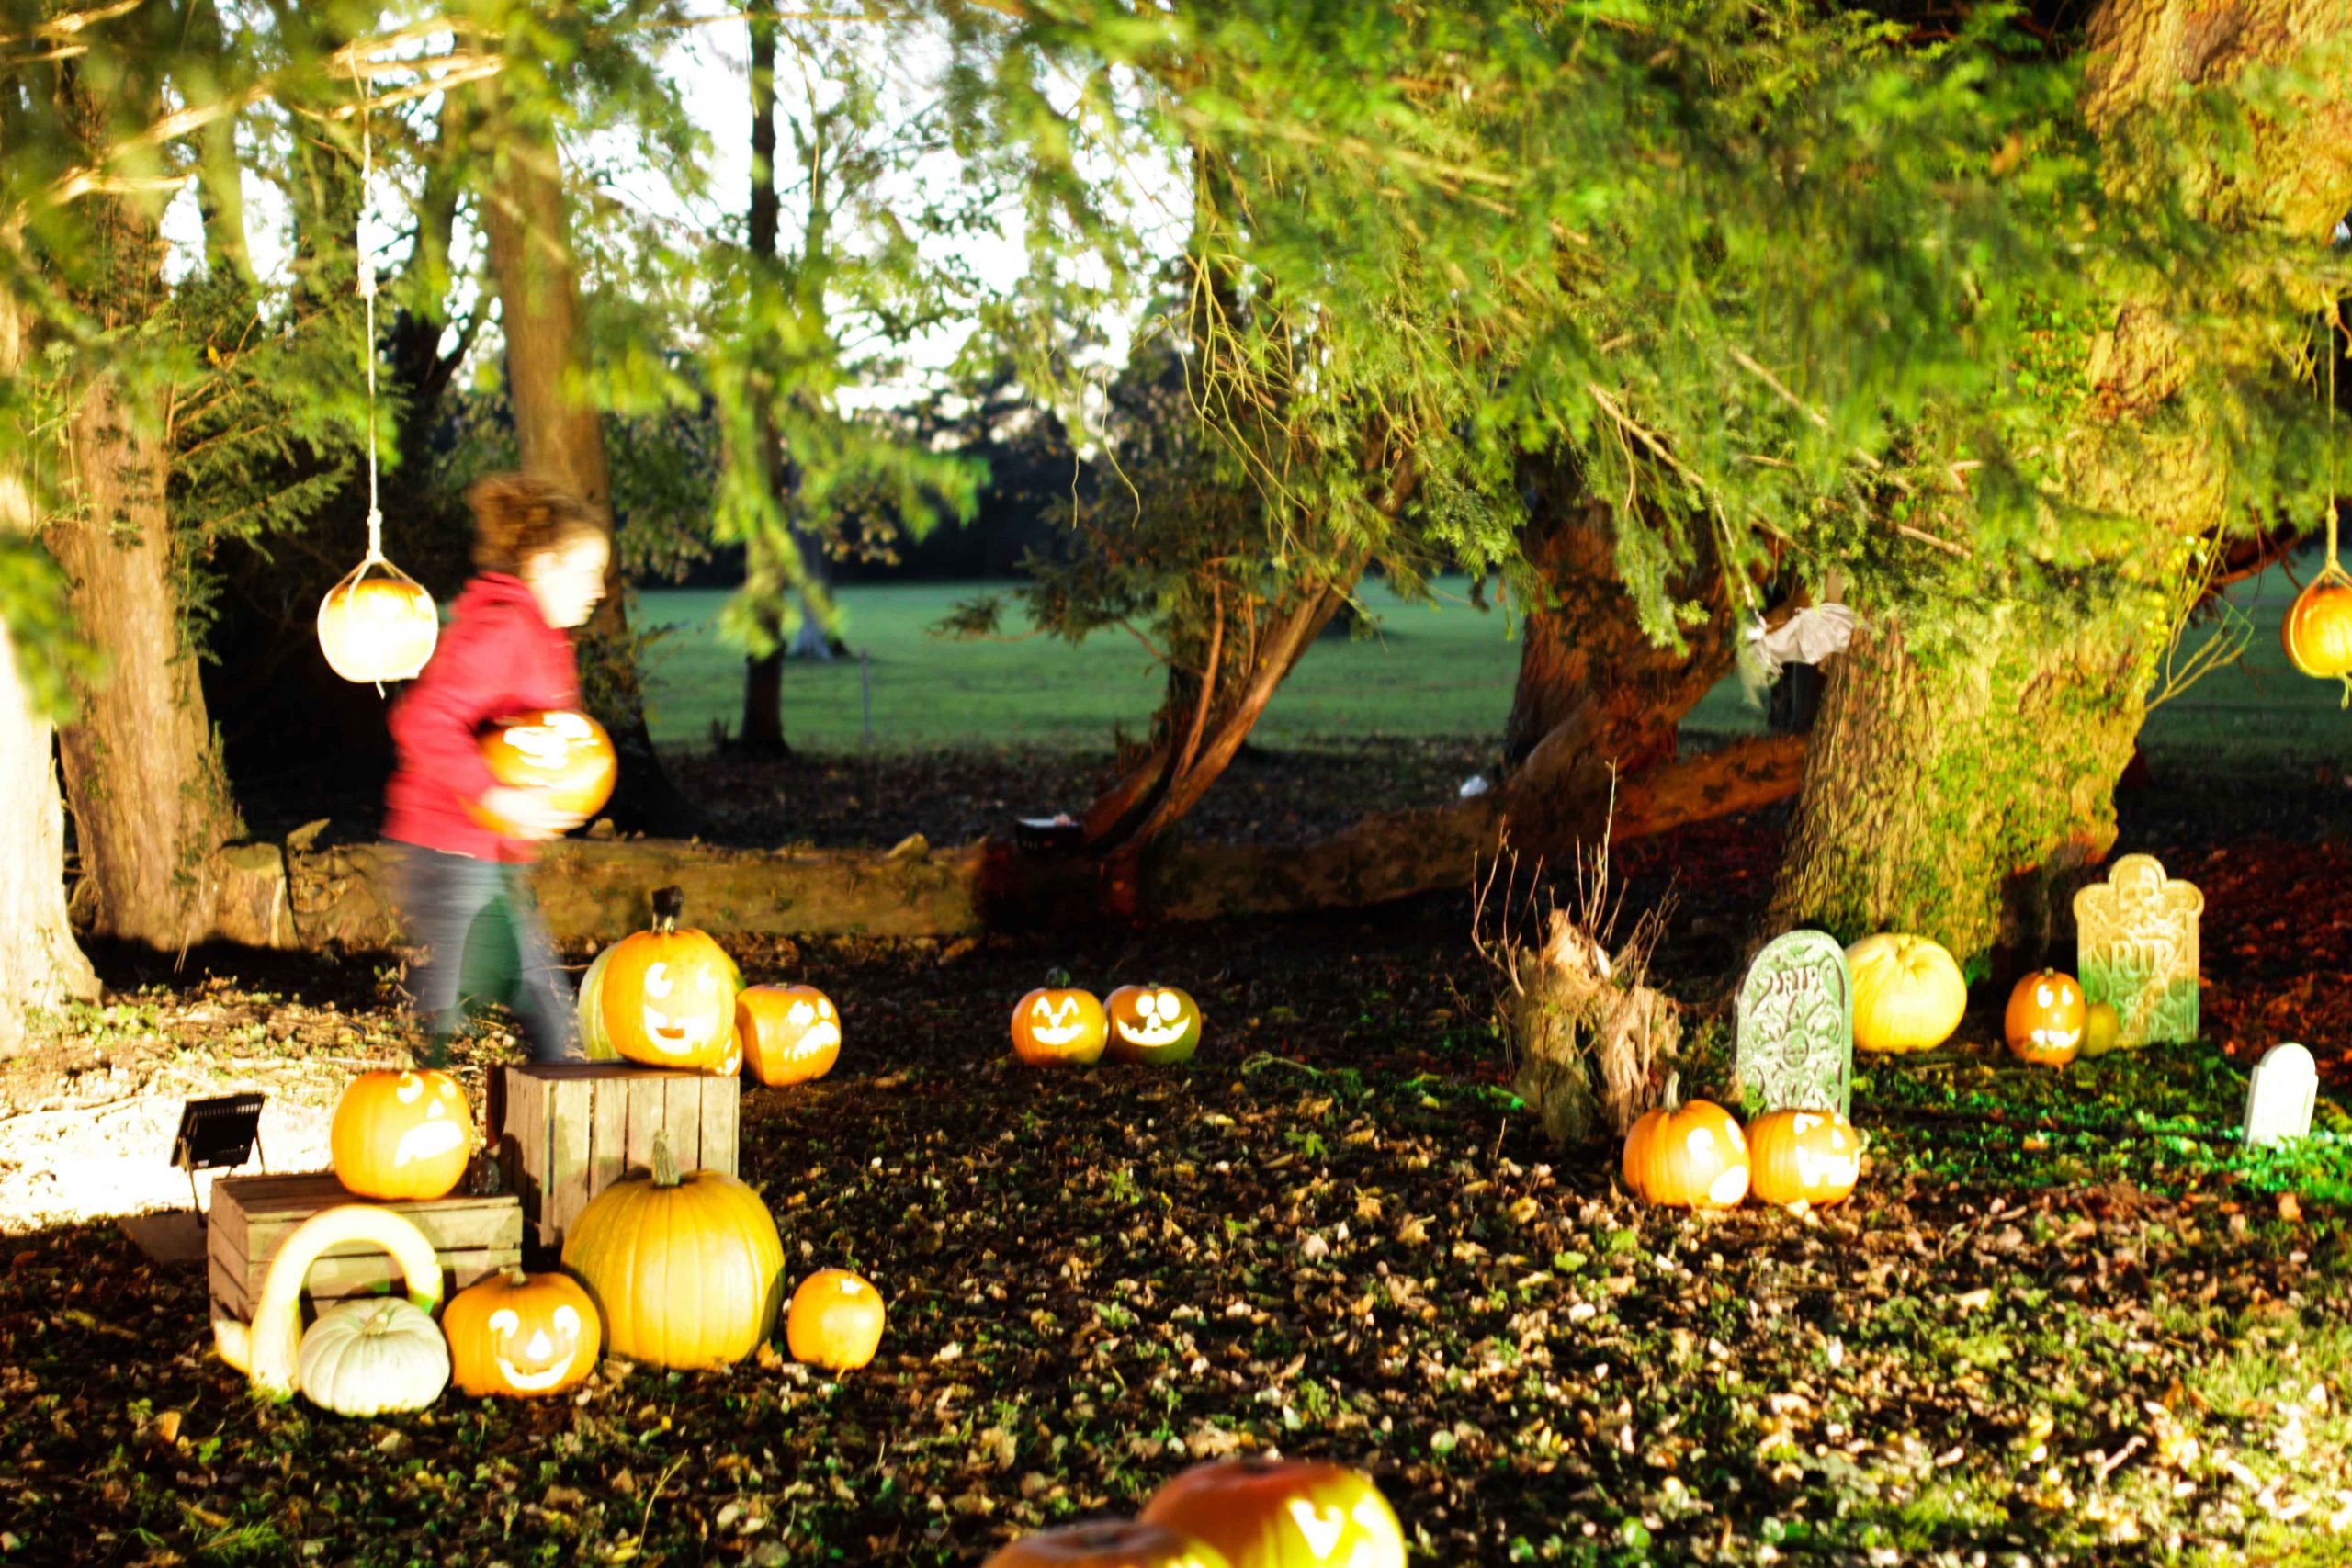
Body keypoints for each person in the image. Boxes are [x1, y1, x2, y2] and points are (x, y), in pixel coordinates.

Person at [383, 474, 611, 1066]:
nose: (599, 589)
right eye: (588, 571)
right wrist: (497, 796)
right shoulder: (504, 629)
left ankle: (509, 1108)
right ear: (542, 563)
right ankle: (417, 1100)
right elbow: (423, 719)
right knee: (469, 1008)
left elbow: (529, 741)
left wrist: (544, 800)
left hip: (486, 855)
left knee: (535, 1007)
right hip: (450, 850)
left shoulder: (542, 636)